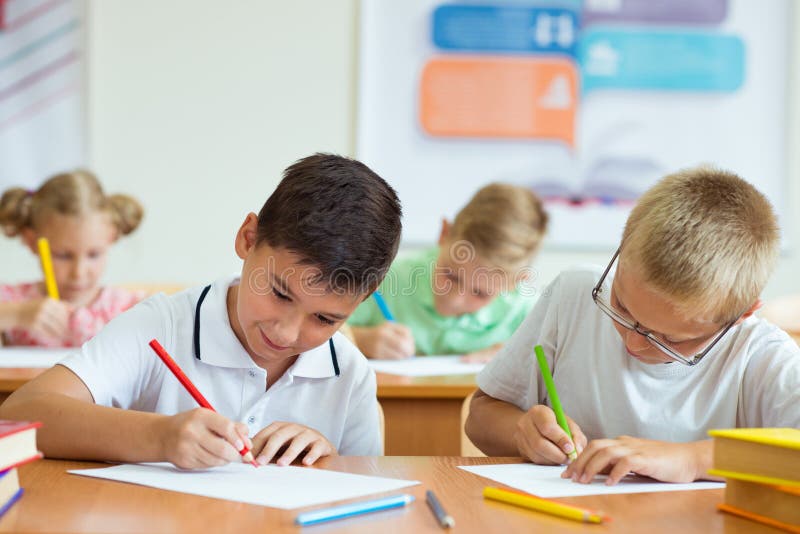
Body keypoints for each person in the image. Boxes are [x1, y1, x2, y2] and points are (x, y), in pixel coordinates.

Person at [0, 153, 402, 469]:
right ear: (248, 238)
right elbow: (21, 415)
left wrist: (330, 461)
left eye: (325, 319)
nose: (285, 333)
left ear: (364, 299)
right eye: (280, 293)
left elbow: (368, 494)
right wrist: (160, 436)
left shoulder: (349, 373)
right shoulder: (160, 326)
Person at [465, 166, 800, 485]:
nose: (634, 344)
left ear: (742, 315)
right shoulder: (574, 296)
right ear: (619, 253)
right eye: (622, 307)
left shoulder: (762, 356)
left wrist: (695, 460)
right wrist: (520, 431)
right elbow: (480, 417)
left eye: (669, 339)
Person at [348, 183, 548, 362]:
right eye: (451, 276)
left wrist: (520, 359)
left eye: (480, 293)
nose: (455, 299)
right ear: (444, 233)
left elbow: (557, 363)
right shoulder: (386, 279)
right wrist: (360, 339)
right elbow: (323, 328)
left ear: (518, 281)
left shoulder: (528, 312)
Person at [0, 170, 145, 347]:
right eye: (63, 255)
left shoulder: (128, 308)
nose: (78, 272)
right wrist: (17, 314)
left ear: (111, 237)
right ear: (32, 241)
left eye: (93, 254)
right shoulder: (14, 301)